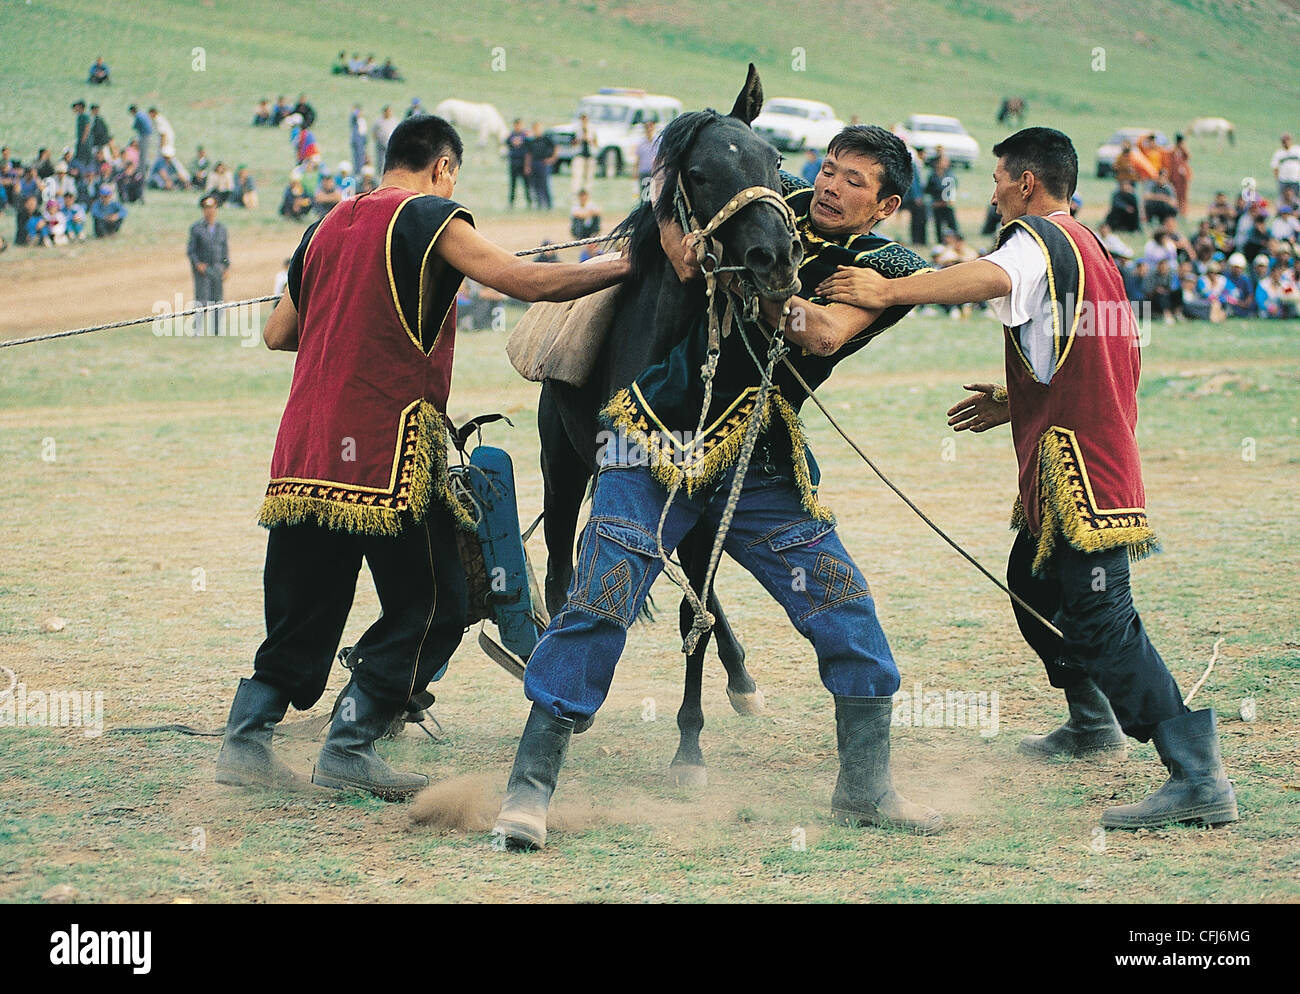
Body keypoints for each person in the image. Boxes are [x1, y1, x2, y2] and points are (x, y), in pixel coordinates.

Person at [492, 124, 939, 852]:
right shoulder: (775, 193)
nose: (829, 186)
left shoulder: (888, 267)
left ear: (885, 204)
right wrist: (673, 232)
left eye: (854, 181)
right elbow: (692, 177)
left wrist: (761, 293)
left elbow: (823, 333)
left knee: (842, 602)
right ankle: (529, 792)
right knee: (599, 602)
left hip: (760, 458)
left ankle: (866, 789)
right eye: (828, 169)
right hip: (652, 440)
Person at [816, 126, 1238, 831]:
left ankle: (1197, 775)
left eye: (999, 179)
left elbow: (986, 277)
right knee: (1032, 579)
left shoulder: (1038, 239)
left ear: (1027, 184)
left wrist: (888, 289)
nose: (992, 191)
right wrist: (1018, 400)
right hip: (1075, 454)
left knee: (1104, 620)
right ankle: (1090, 720)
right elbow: (1102, 351)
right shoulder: (1089, 247)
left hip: (1086, 465)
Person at [214, 114, 629, 801]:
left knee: (305, 607)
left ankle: (245, 741)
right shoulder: (430, 215)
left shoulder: (322, 227)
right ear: (444, 168)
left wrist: (348, 326)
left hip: (307, 450)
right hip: (388, 450)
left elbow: (277, 332)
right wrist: (630, 264)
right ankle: (348, 744)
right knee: (437, 601)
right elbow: (523, 281)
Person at [187, 195, 230, 335]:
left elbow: (225, 250)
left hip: (217, 268)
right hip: (203, 270)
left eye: (212, 207)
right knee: (201, 300)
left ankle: (216, 330)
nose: (209, 211)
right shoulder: (196, 228)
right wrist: (197, 264)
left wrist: (226, 267)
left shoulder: (221, 229)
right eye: (206, 207)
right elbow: (191, 250)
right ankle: (197, 330)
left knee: (217, 300)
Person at [925, 152, 958, 243]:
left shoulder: (950, 174)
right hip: (937, 204)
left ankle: (955, 240)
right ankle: (940, 242)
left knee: (952, 223)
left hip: (947, 204)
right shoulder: (933, 176)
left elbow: (953, 188)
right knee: (938, 224)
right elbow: (928, 189)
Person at [524, 121, 555, 210]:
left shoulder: (547, 139)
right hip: (535, 163)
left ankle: (549, 205)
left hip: (544, 163)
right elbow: (528, 154)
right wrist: (527, 166)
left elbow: (556, 148)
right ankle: (539, 204)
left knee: (545, 184)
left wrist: (552, 159)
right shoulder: (532, 140)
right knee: (535, 185)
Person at [506, 118, 530, 208]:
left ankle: (529, 202)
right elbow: (507, 142)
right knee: (513, 185)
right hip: (514, 162)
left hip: (523, 163)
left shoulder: (526, 135)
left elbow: (529, 148)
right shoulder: (511, 135)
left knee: (526, 184)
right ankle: (511, 203)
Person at [570, 188, 601, 258]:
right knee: (578, 220)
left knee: (596, 218)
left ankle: (594, 235)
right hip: (581, 228)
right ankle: (579, 237)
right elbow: (577, 214)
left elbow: (598, 212)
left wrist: (587, 213)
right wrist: (588, 213)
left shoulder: (591, 204)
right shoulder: (575, 206)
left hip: (589, 227)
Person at [570, 113, 595, 198]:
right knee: (577, 176)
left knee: (588, 177)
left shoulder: (592, 129)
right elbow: (572, 142)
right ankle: (576, 195)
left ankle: (587, 195)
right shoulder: (577, 130)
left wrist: (589, 139)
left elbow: (596, 143)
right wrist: (580, 139)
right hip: (579, 155)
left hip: (590, 155)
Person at [634, 120, 658, 204]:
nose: (649, 129)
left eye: (651, 126)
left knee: (654, 195)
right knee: (644, 195)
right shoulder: (641, 143)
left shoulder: (658, 141)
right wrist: (635, 171)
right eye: (647, 127)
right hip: (644, 172)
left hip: (654, 172)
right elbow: (638, 158)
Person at [1168, 133, 1192, 217]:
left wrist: (1183, 148)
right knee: (1176, 194)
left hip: (1183, 177)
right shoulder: (1173, 150)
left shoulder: (1183, 150)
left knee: (1184, 195)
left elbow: (1188, 157)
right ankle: (1177, 210)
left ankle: (1184, 211)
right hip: (1175, 176)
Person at [1271, 133, 1300, 202]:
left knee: (1296, 199)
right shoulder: (1279, 153)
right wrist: (1278, 179)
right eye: (1284, 141)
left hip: (1295, 179)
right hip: (1283, 180)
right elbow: (1275, 167)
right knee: (1282, 199)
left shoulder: (1297, 150)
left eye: (1287, 140)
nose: (1286, 142)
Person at [373, 104, 398, 176]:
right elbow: (374, 133)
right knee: (380, 161)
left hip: (391, 143)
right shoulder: (378, 121)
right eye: (387, 111)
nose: (388, 113)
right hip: (380, 143)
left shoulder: (394, 121)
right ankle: (380, 174)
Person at [349, 104, 367, 177]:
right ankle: (358, 171)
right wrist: (356, 110)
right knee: (357, 156)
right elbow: (354, 115)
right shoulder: (354, 118)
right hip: (357, 139)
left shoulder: (362, 120)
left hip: (362, 138)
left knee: (362, 156)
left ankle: (361, 170)